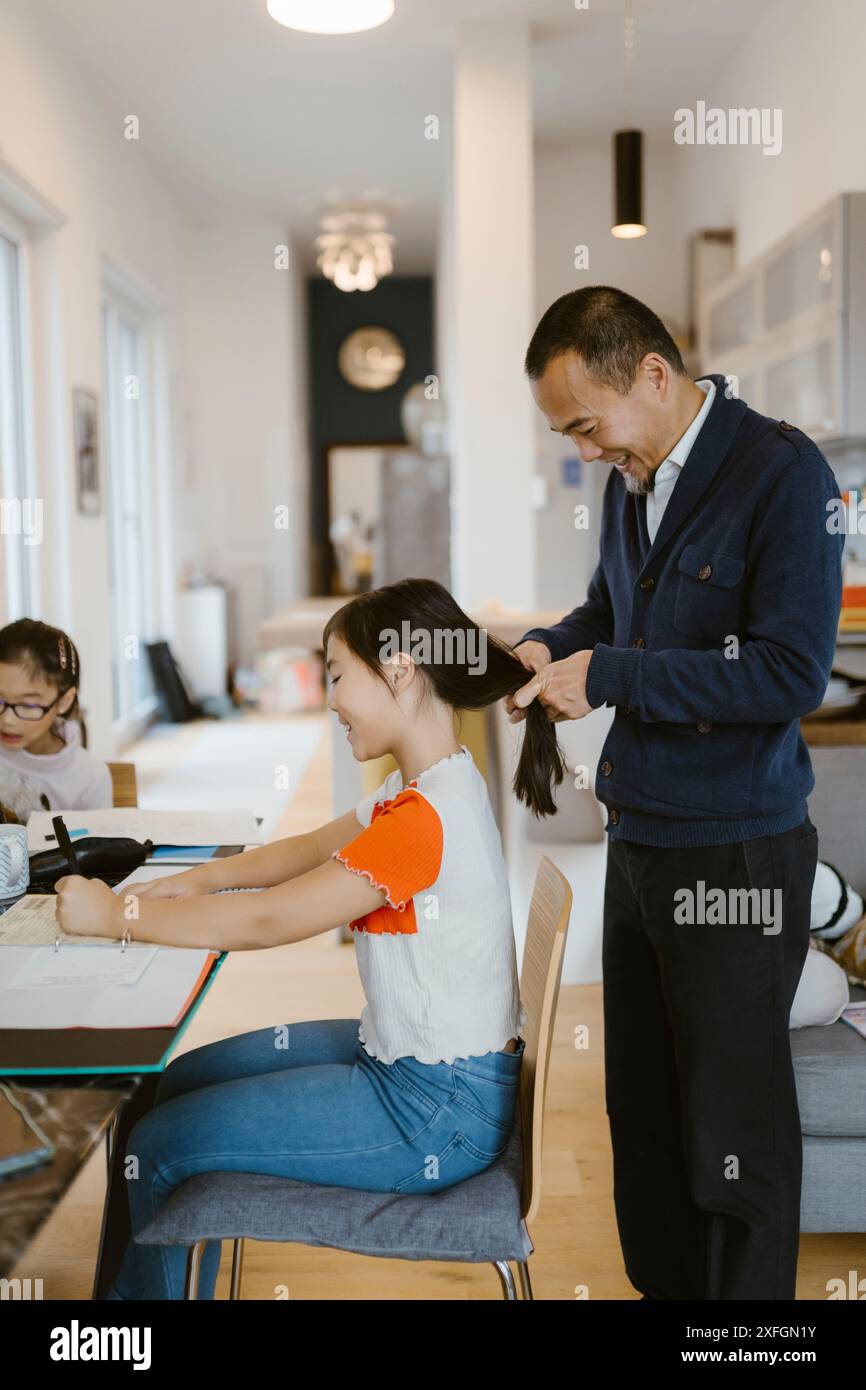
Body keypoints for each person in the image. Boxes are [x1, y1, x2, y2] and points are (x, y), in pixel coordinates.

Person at [54, 577, 563, 1301]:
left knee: (155, 1148)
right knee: (162, 1089)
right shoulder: (430, 784)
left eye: (335, 675)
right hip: (423, 1072)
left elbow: (273, 920)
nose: (328, 699)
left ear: (399, 670)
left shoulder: (422, 819)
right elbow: (308, 849)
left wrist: (118, 919)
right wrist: (202, 881)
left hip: (433, 1112)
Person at [505, 285, 843, 1301]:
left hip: (735, 851)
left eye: (583, 425)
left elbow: (790, 673)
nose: (582, 450)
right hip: (641, 837)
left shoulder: (781, 474)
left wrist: (606, 674)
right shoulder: (631, 478)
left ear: (652, 374)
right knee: (642, 1110)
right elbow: (609, 608)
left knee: (730, 1126)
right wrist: (548, 644)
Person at [0, 618, 112, 817]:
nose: (7, 720)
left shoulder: (90, 778)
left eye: (28, 705)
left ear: (64, 701)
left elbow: (99, 846)